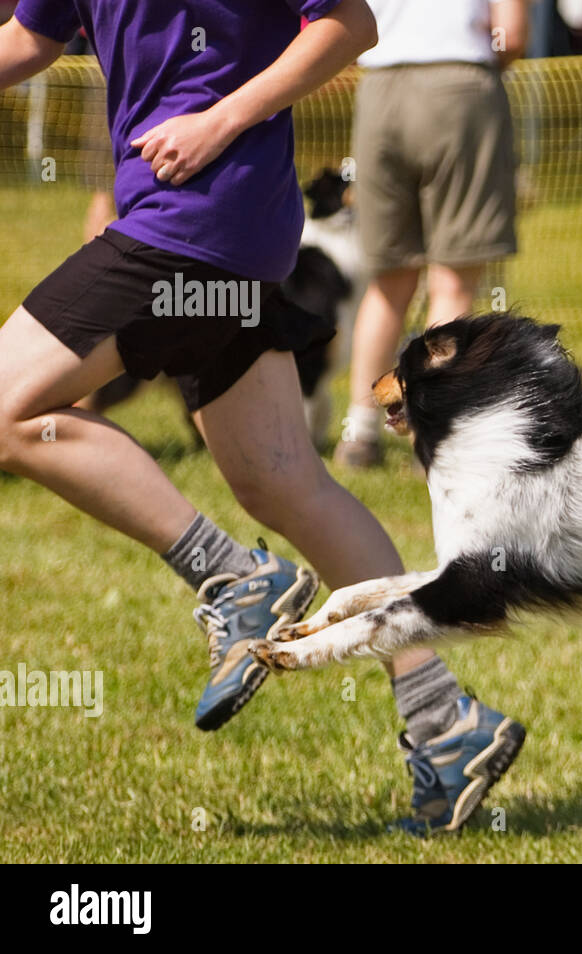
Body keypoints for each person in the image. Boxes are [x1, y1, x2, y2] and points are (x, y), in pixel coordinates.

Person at [0, 0, 524, 836]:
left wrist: (220, 120)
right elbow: (33, 36)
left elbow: (349, 24)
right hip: (191, 222)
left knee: (4, 409)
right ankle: (445, 719)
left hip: (203, 220)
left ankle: (232, 577)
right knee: (282, 482)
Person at [334, 0, 530, 469]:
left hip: (380, 90)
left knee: (388, 282)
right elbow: (513, 34)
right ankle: (433, 433)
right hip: (460, 85)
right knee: (453, 282)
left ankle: (361, 431)